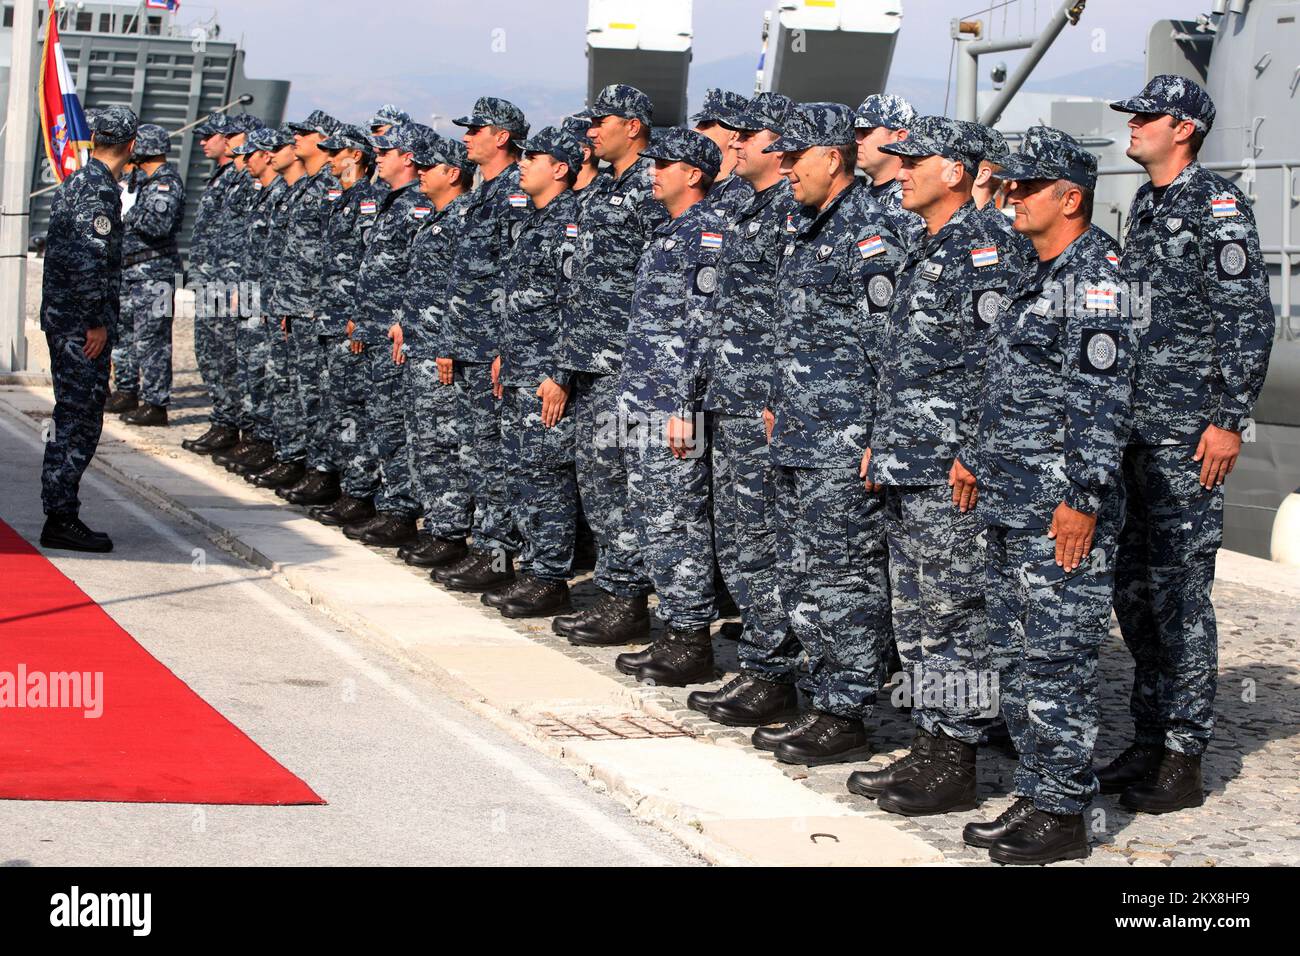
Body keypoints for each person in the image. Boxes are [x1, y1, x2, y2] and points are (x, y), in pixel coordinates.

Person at [1102, 75, 1274, 813]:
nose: (1133, 125)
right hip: (1136, 429)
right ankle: (1147, 738)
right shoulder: (1148, 202)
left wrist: (1228, 417)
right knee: (1135, 593)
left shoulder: (1218, 205)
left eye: (1146, 117)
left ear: (1183, 128)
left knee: (1179, 594)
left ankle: (1182, 755)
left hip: (1186, 433)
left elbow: (1247, 316)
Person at [964, 127, 1132, 865]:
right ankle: (1036, 791)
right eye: (1007, 185)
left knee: (1059, 656)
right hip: (1012, 498)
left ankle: (1063, 809)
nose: (1011, 198)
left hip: (1059, 506)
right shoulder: (1038, 272)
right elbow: (1011, 386)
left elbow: (1101, 398)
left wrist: (1084, 495)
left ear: (1071, 197)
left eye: (1026, 187)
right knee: (1017, 653)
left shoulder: (1097, 279)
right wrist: (975, 454)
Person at [854, 116, 1020, 814]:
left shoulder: (985, 249)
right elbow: (906, 364)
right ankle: (928, 747)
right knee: (917, 614)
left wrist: (974, 452)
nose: (905, 169)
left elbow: (1001, 363)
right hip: (906, 460)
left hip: (949, 469)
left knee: (955, 615)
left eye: (916, 160)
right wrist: (877, 438)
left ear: (956, 170)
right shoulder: (929, 245)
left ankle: (955, 761)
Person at [754, 102, 907, 766]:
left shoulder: (870, 235)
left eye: (796, 158)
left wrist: (878, 433)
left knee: (845, 578)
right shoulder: (806, 226)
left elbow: (889, 346)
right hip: (798, 432)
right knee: (803, 572)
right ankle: (818, 697)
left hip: (844, 441)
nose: (785, 169)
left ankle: (845, 711)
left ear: (832, 158)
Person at [681, 92, 803, 724]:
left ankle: (775, 671)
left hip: (765, 407)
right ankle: (760, 662)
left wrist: (779, 397)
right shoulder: (745, 207)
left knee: (765, 540)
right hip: (730, 399)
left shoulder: (793, 213)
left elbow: (801, 322)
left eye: (749, 135)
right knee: (737, 537)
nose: (734, 143)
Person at [603, 127, 724, 684]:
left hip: (672, 407)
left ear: (693, 174)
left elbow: (702, 330)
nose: (653, 172)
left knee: (678, 521)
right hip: (641, 400)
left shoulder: (707, 236)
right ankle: (672, 628)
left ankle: (688, 639)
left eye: (666, 165)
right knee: (652, 516)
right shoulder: (669, 232)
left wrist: (683, 404)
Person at [551, 84, 668, 647]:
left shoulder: (653, 185)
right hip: (591, 364)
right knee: (599, 484)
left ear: (634, 126)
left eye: (602, 121)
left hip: (630, 367)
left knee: (629, 486)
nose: (591, 131)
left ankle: (630, 602)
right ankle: (615, 592)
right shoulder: (600, 191)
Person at [432, 97, 535, 592]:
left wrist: (502, 347)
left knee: (497, 456)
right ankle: (482, 548)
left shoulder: (514, 193)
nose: (467, 136)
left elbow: (517, 276)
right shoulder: (482, 193)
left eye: (476, 129)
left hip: (492, 349)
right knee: (476, 453)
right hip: (469, 344)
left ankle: (498, 558)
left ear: (502, 137)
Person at [484, 127, 583, 617]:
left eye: (535, 157)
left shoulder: (571, 222)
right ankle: (531, 566)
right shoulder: (535, 221)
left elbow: (576, 303)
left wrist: (560, 372)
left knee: (546, 476)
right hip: (521, 367)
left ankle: (550, 576)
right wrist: (506, 351)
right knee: (522, 471)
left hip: (546, 375)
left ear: (560, 168)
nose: (522, 164)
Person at [38, 106, 138, 553]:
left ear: (95, 139)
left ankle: (59, 510)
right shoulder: (98, 192)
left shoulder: (76, 181)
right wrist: (95, 323)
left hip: (63, 319)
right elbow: (88, 262)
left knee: (69, 415)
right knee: (79, 419)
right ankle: (60, 516)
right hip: (81, 326)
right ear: (131, 146)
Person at [340, 123, 438, 547]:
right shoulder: (391, 202)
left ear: (410, 157)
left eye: (387, 151)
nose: (377, 156)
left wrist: (399, 319)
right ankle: (388, 501)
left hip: (396, 336)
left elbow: (420, 273)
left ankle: (400, 508)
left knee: (397, 424)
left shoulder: (418, 205)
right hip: (377, 330)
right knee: (381, 419)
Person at [290, 124, 382, 509]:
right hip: (328, 319)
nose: (328, 159)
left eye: (335, 152)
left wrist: (360, 316)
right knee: (333, 403)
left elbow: (372, 266)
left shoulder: (369, 200)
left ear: (356, 155)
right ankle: (337, 480)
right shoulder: (342, 199)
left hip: (350, 324)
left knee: (353, 408)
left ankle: (358, 490)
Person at [395, 137, 476, 567]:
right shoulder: (437, 217)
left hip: (441, 349)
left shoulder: (464, 218)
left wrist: (449, 343)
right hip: (421, 343)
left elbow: (462, 290)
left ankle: (450, 532)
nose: (421, 171)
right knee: (423, 438)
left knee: (443, 440)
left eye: (432, 166)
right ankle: (437, 523)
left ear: (454, 173)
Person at [255, 110, 342, 493]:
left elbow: (334, 252)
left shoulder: (327, 188)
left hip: (313, 308)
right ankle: (296, 457)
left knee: (315, 392)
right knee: (291, 385)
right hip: (292, 304)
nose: (295, 141)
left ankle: (319, 470)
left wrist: (314, 305)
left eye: (303, 134)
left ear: (321, 139)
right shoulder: (305, 186)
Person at [215, 126, 290, 479]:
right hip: (253, 295)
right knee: (251, 369)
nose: (244, 161)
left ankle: (267, 442)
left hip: (273, 301)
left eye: (251, 154)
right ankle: (255, 436)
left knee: (270, 374)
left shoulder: (282, 193)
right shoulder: (265, 193)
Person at [112, 123, 185, 427]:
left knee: (152, 340)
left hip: (154, 273)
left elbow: (158, 226)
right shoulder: (140, 181)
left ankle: (155, 403)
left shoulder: (166, 184)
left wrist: (129, 210)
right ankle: (127, 390)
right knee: (124, 334)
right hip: (130, 270)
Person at [182, 111, 241, 454]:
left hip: (228, 284)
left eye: (210, 136)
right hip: (210, 281)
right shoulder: (222, 177)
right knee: (209, 354)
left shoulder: (241, 179)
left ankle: (232, 426)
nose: (203, 142)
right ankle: (222, 420)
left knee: (227, 356)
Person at [853, 93, 921, 237]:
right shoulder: (857, 195)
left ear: (900, 137)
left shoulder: (915, 203)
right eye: (855, 133)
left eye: (865, 132)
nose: (857, 140)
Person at [691, 88, 751, 218]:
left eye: (706, 124)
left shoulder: (745, 192)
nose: (695, 129)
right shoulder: (696, 182)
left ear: (734, 136)